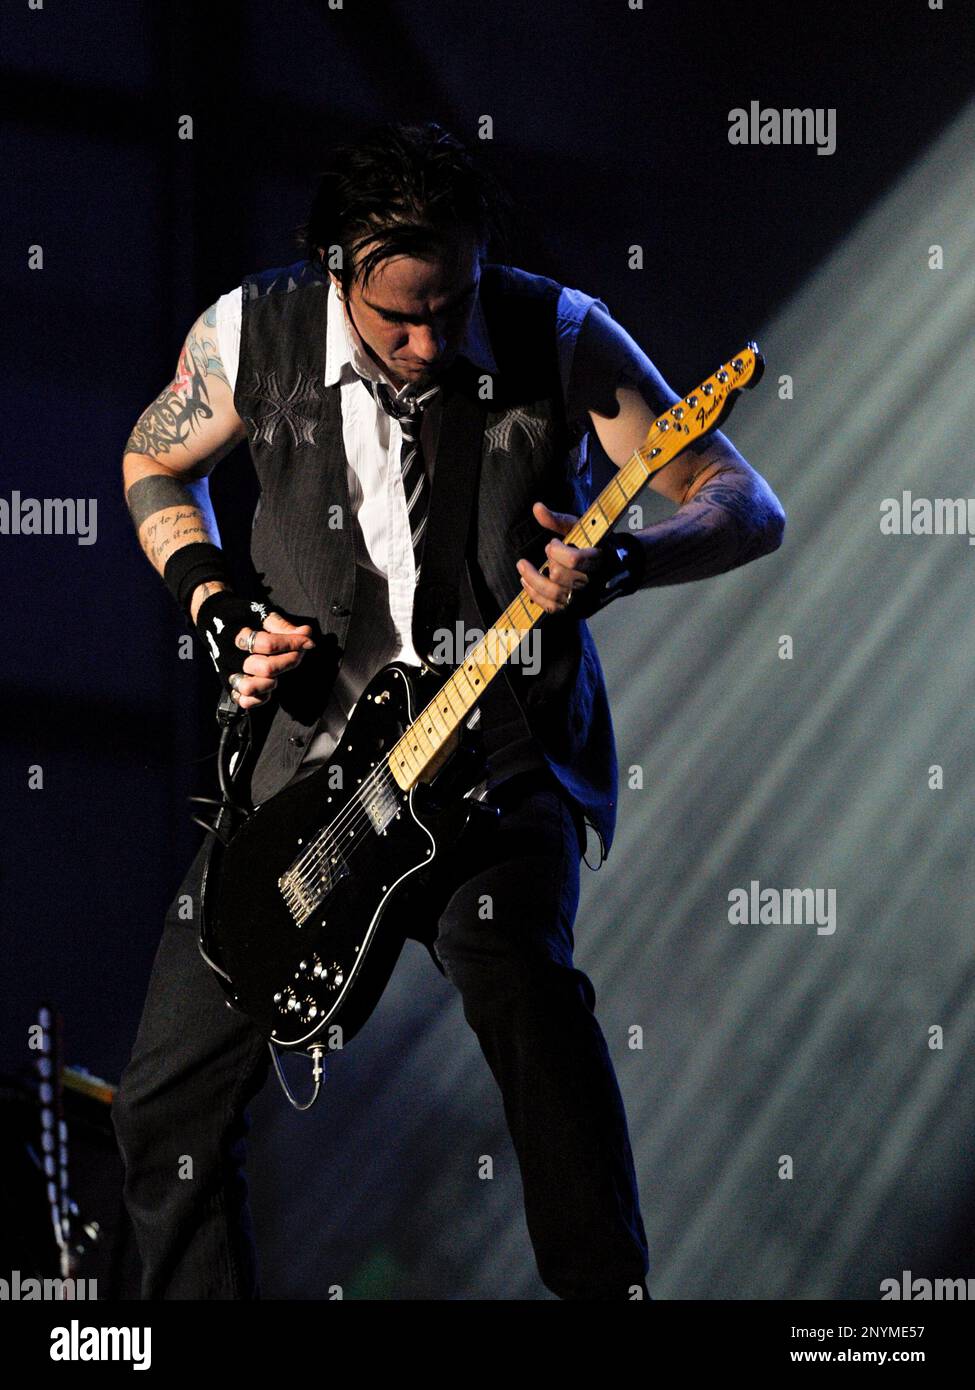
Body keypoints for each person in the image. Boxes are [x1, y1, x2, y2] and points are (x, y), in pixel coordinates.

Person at [112, 120, 785, 1301]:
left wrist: (625, 562)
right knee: (167, 1098)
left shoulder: (561, 333)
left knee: (516, 971)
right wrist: (211, 599)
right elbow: (151, 461)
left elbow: (741, 497)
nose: (430, 341)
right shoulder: (246, 334)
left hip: (495, 767)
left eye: (452, 305)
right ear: (336, 271)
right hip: (304, 778)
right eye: (397, 319)